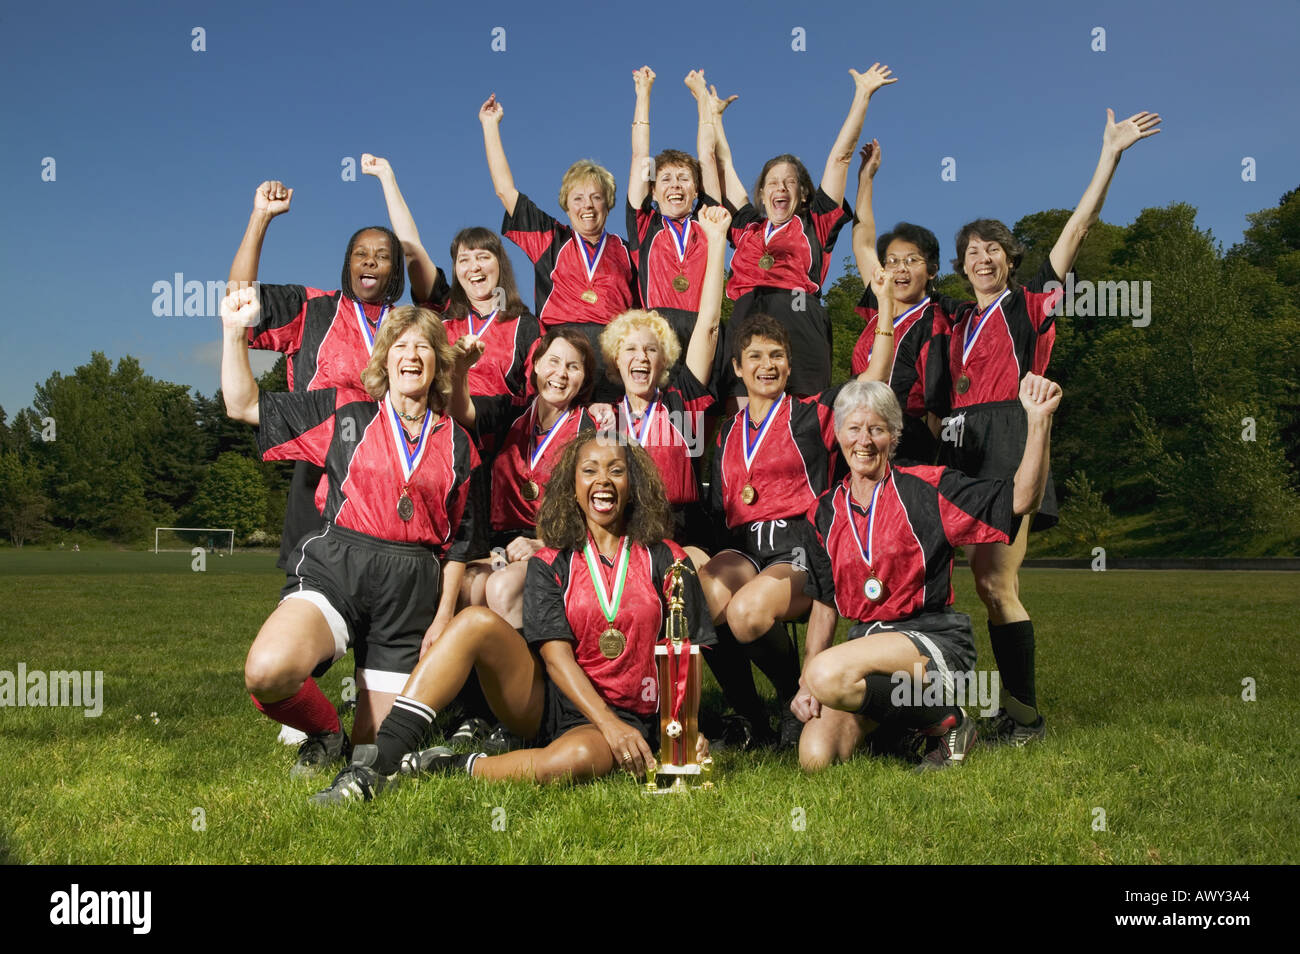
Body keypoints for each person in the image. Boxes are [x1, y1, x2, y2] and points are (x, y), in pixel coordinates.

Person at [310, 435, 716, 802]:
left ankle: (443, 764)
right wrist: (608, 724)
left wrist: (684, 728)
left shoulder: (668, 558)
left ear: (634, 485)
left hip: (634, 713)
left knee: (572, 758)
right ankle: (380, 760)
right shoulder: (550, 562)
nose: (603, 480)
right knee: (473, 623)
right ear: (573, 487)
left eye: (616, 470)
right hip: (555, 700)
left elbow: (687, 651)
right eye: (589, 470)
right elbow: (556, 658)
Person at [932, 108, 1160, 744]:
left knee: (994, 581)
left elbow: (1079, 227)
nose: (981, 258)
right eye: (971, 251)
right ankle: (933, 708)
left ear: (1011, 258)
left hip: (1009, 441)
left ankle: (1024, 715)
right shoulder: (950, 320)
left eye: (993, 249)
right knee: (929, 577)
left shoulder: (1033, 302)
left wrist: (1110, 153)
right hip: (954, 447)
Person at [219, 289, 482, 772]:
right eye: (400, 345)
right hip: (338, 567)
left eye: (424, 346)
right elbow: (243, 405)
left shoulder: (460, 443)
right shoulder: (345, 413)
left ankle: (360, 735)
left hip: (410, 589)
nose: (412, 354)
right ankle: (323, 731)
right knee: (267, 671)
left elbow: (459, 543)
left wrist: (443, 617)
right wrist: (234, 335)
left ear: (438, 363)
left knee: (375, 755)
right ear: (384, 360)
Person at [794, 374, 1061, 772]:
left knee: (827, 673)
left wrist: (1038, 421)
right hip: (865, 644)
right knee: (816, 757)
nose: (864, 440)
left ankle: (948, 722)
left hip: (931, 640)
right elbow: (824, 604)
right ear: (838, 434)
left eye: (877, 429)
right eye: (853, 428)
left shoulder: (929, 489)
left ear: (894, 435)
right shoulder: (822, 512)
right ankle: (904, 726)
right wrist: (805, 685)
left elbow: (1021, 499)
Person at [695, 270, 897, 745]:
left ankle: (794, 697)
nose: (768, 365)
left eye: (777, 356)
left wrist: (885, 307)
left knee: (746, 614)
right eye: (756, 357)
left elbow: (875, 379)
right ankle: (750, 718)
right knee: (698, 606)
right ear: (738, 369)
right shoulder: (725, 434)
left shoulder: (813, 411)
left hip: (801, 550)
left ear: (789, 365)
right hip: (745, 549)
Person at [228, 175, 450, 571]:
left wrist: (387, 176)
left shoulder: (410, 324)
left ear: (394, 268)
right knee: (308, 585)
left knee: (386, 582)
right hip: (320, 462)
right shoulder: (312, 308)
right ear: (347, 263)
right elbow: (238, 302)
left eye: (381, 255)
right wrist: (260, 218)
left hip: (394, 464)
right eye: (360, 253)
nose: (369, 260)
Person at [705, 63, 897, 401]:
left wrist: (862, 96)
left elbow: (841, 158)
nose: (780, 188)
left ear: (803, 193)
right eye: (772, 183)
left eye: (789, 182)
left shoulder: (815, 222)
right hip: (744, 319)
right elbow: (723, 165)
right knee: (745, 416)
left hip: (799, 318)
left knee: (804, 418)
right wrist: (715, 118)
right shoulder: (747, 225)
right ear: (762, 194)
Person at [596, 204, 731, 563]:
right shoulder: (602, 418)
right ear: (615, 360)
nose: (641, 357)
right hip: (619, 532)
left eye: (651, 350)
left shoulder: (681, 397)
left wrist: (717, 243)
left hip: (680, 530)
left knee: (695, 581)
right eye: (631, 349)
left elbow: (710, 325)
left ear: (664, 360)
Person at [480, 94, 636, 400]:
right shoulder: (550, 238)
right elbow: (504, 190)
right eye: (578, 198)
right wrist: (490, 126)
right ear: (566, 205)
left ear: (609, 204)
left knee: (608, 444)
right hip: (561, 355)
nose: (587, 206)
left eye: (596, 197)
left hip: (612, 364)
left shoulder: (628, 252)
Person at [449, 329, 600, 624]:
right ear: (537, 365)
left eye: (573, 366)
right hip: (502, 544)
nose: (561, 374)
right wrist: (460, 370)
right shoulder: (511, 411)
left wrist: (543, 544)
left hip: (561, 545)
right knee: (468, 588)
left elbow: (599, 514)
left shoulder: (591, 432)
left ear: (584, 379)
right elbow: (461, 411)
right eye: (553, 361)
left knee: (501, 589)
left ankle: (535, 669)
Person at [849, 142, 946, 465]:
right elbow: (863, 240)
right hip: (861, 431)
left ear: (932, 270)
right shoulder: (881, 306)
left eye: (912, 260)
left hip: (908, 437)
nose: (900, 269)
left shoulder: (936, 319)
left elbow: (937, 404)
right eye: (892, 261)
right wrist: (866, 177)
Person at [624, 66, 723, 366]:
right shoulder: (645, 225)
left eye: (684, 178)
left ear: (696, 190)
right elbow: (641, 156)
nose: (675, 186)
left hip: (704, 331)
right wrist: (644, 93)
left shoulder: (708, 220)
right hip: (656, 334)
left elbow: (707, 154)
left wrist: (701, 97)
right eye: (665, 179)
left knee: (700, 413)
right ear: (653, 192)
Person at [438, 226, 540, 403]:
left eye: (483, 257)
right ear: (455, 270)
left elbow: (540, 396)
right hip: (448, 425)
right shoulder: (441, 325)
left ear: (500, 263)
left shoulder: (526, 327)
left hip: (505, 426)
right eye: (464, 260)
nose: (474, 267)